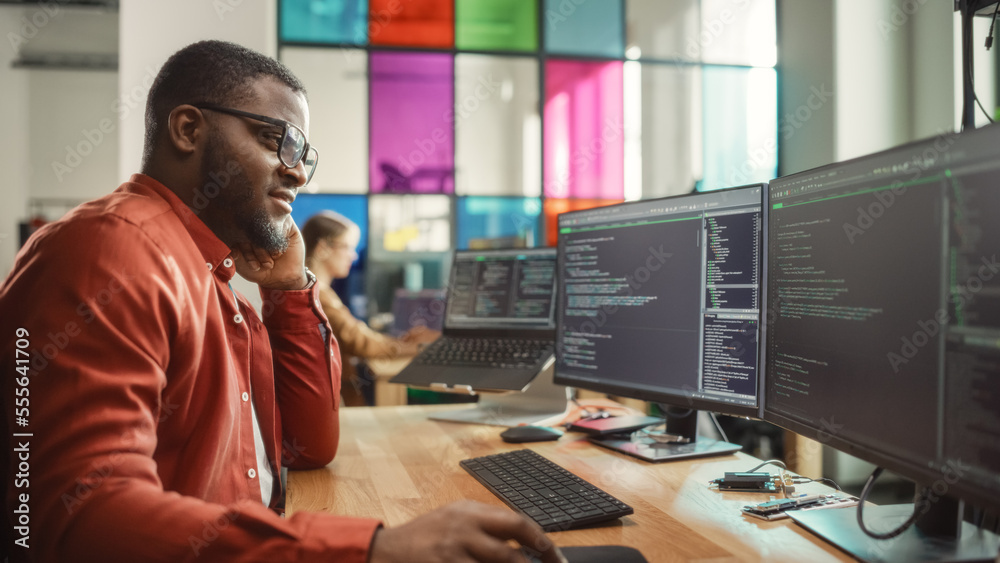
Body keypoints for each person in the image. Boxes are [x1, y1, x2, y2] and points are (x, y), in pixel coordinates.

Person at [0, 40, 563, 563]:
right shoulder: (111, 251)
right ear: (189, 129)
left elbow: (307, 444)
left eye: (304, 154)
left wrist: (290, 290)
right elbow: (74, 517)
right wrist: (372, 550)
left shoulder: (213, 278)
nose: (297, 171)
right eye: (277, 140)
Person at [301, 211, 439, 406]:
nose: (354, 255)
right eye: (347, 247)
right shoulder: (317, 295)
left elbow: (357, 336)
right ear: (323, 248)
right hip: (333, 400)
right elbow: (361, 343)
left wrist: (401, 341)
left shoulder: (317, 290)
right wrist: (417, 347)